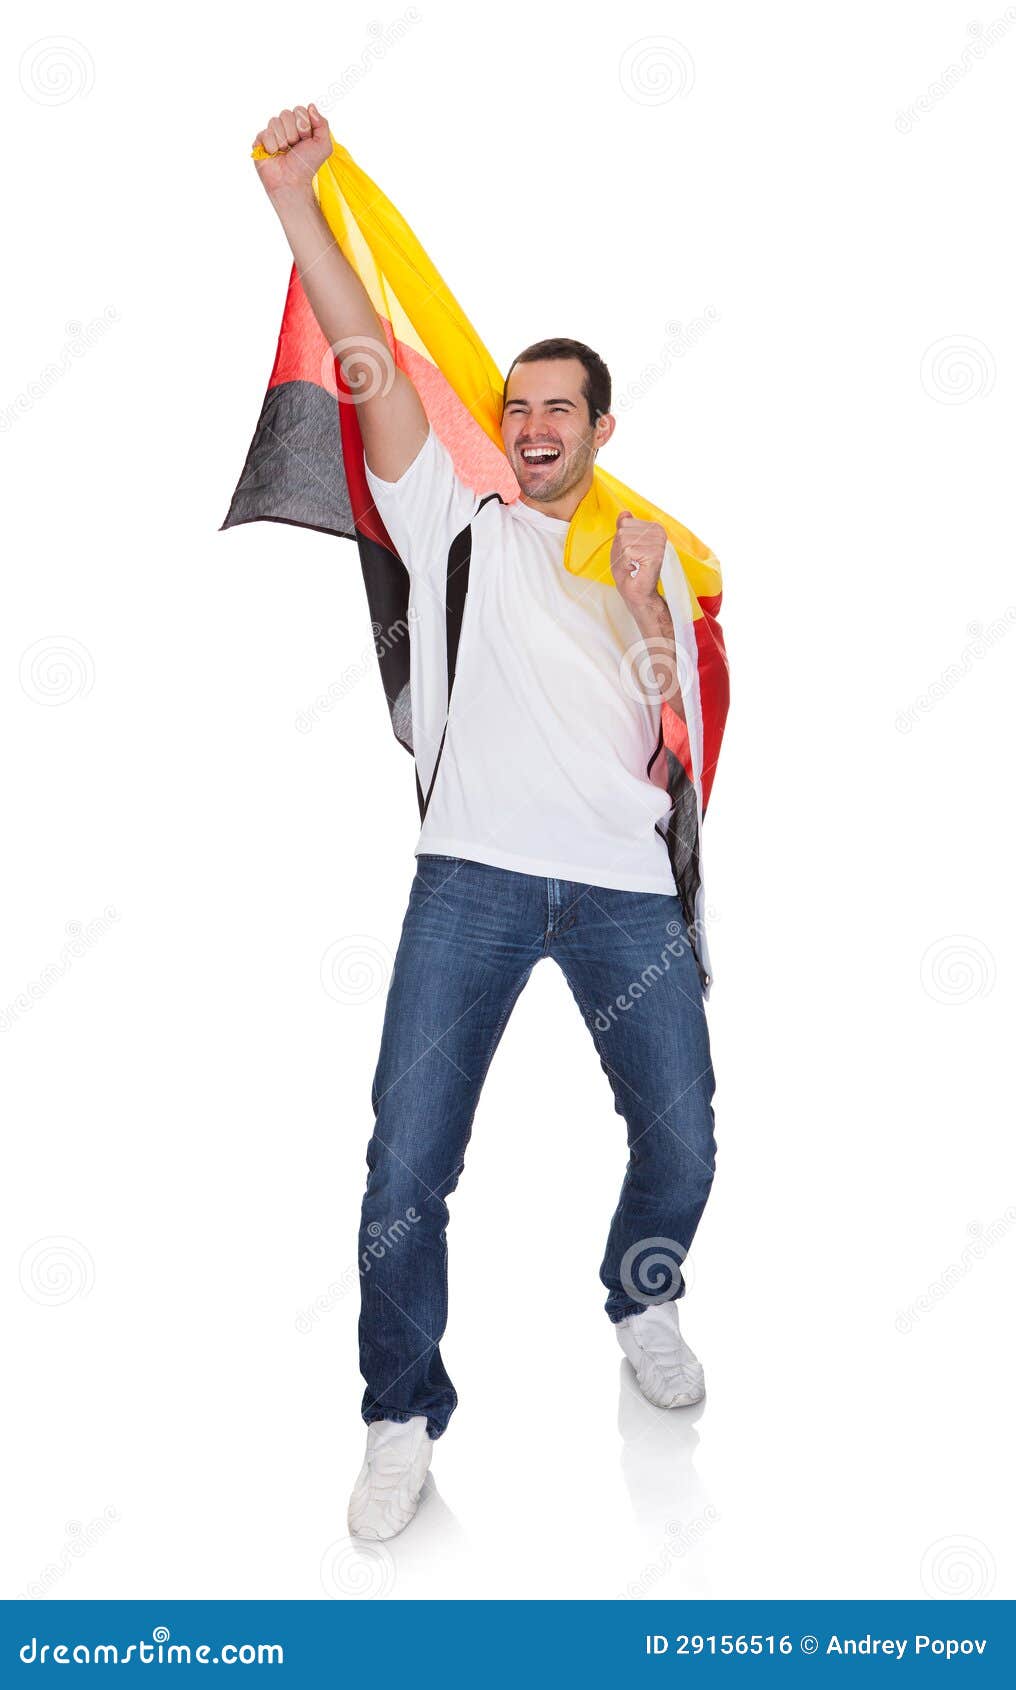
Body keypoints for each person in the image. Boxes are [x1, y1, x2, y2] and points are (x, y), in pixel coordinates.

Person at [253, 104, 718, 1541]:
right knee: (408, 1154)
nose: (527, 426)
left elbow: (667, 717)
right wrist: (295, 201)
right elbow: (371, 350)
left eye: (554, 409)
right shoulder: (460, 514)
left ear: (602, 426)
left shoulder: (656, 555)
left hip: (623, 890)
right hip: (473, 880)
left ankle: (641, 1298)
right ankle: (400, 1413)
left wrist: (644, 589)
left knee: (686, 1137)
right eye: (514, 406)